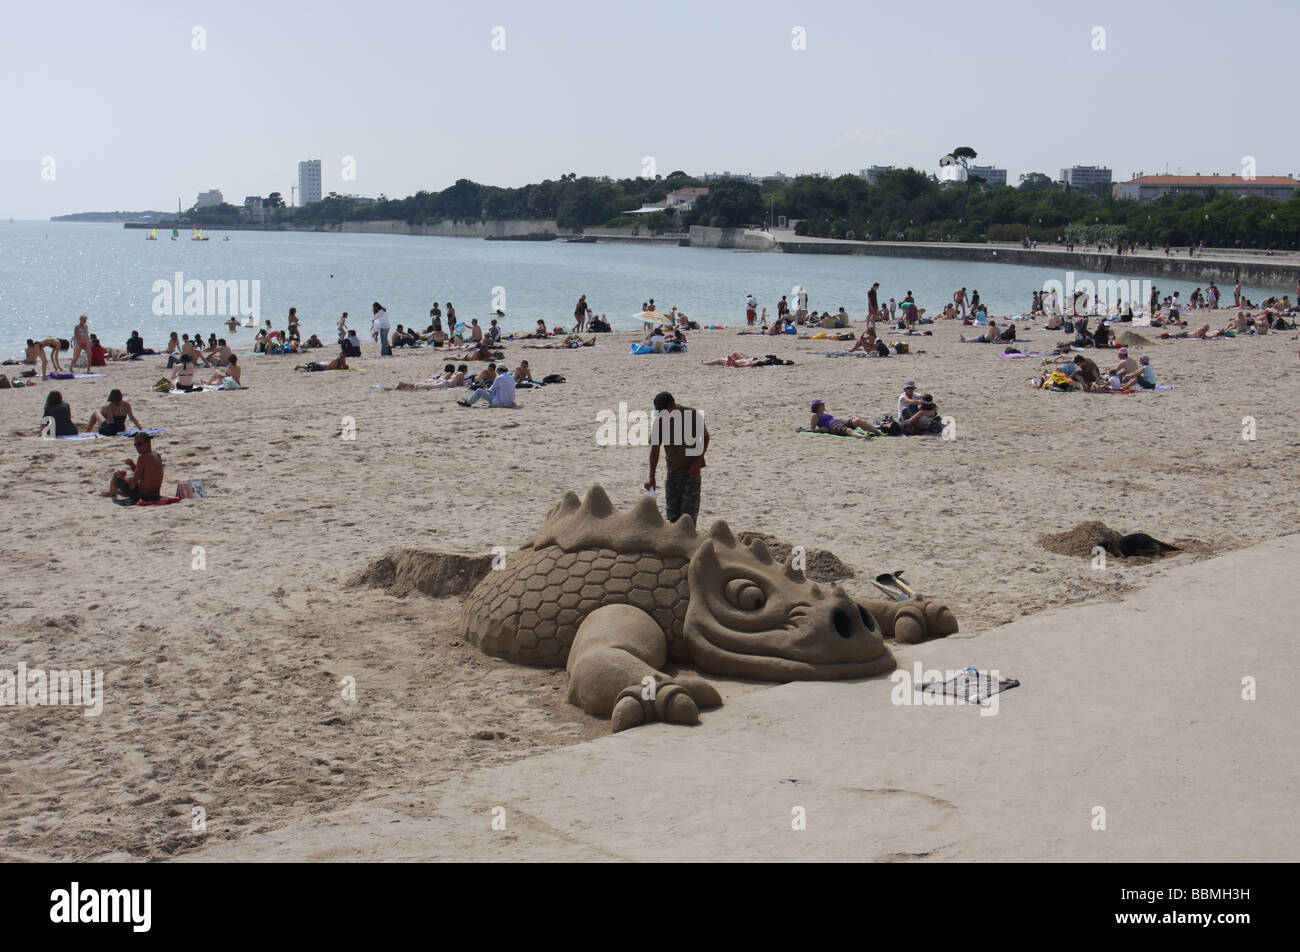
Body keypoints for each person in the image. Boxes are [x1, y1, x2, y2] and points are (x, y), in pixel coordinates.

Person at [646, 391, 709, 524]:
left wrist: (697, 463)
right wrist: (652, 476)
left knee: (688, 520)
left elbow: (705, 437)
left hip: (691, 475)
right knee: (673, 519)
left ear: (673, 406)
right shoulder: (660, 422)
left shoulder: (691, 415)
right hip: (673, 474)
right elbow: (655, 449)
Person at [105, 432, 164, 503]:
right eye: (135, 445)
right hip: (155, 495)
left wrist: (122, 477)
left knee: (116, 475)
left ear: (148, 443)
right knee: (127, 486)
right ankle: (116, 491)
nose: (137, 447)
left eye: (139, 444)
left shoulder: (142, 458)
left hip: (143, 496)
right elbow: (144, 475)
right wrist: (132, 465)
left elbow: (133, 482)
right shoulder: (157, 455)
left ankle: (112, 493)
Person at [809, 399, 882, 438]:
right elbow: (812, 429)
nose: (824, 405)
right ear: (818, 406)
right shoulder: (815, 416)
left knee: (857, 421)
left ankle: (878, 431)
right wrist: (821, 429)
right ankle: (864, 436)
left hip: (839, 422)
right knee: (848, 430)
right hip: (832, 427)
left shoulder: (824, 414)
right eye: (822, 404)